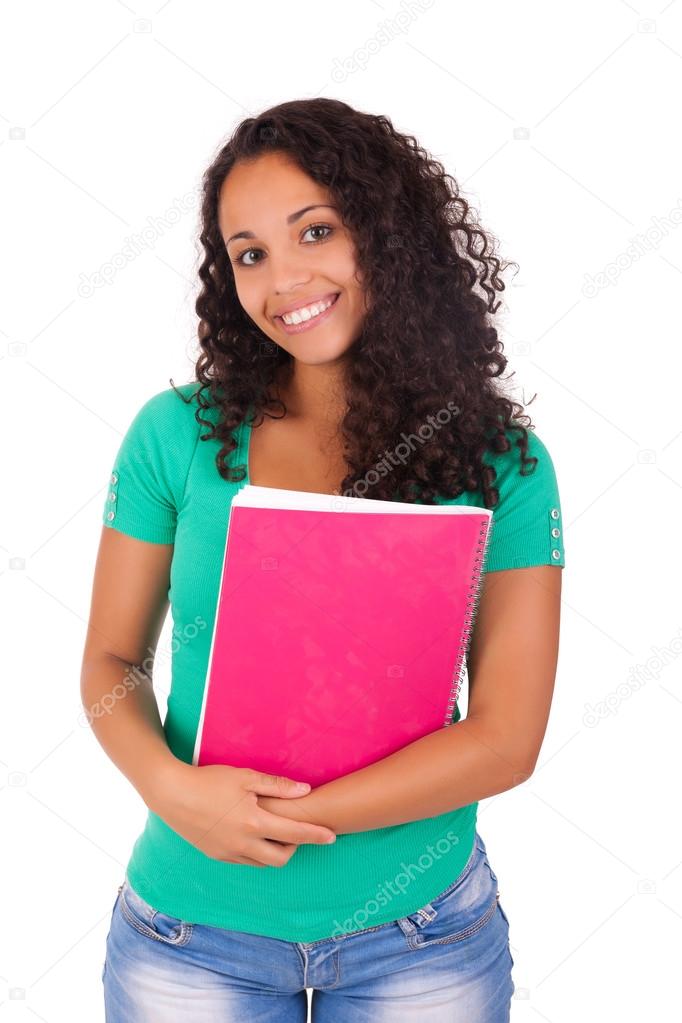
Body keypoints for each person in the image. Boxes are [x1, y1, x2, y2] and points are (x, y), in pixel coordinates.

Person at [82, 97, 565, 1022]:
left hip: (422, 939)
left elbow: (507, 738)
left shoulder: (501, 461)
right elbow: (111, 663)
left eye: (316, 231)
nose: (283, 278)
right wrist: (172, 789)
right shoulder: (176, 434)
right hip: (190, 934)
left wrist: (278, 819)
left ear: (387, 234)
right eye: (250, 252)